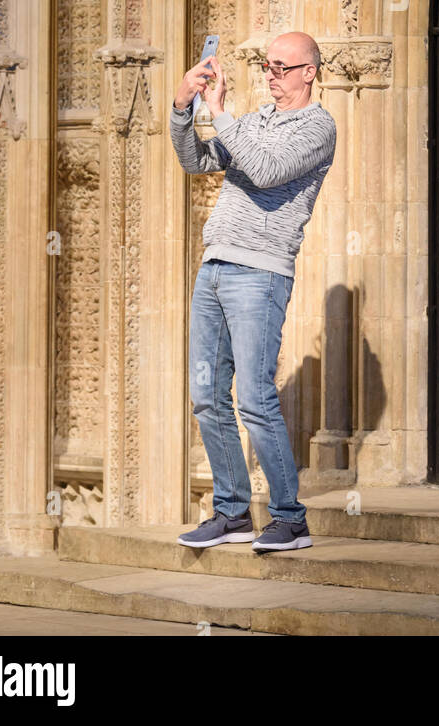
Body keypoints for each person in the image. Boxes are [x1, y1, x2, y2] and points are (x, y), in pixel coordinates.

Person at [170, 31, 336, 553]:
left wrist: (222, 116)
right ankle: (232, 512)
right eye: (267, 66)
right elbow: (196, 160)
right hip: (215, 266)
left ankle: (289, 519)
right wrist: (183, 107)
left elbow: (264, 172)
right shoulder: (256, 121)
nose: (271, 75)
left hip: (259, 274)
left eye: (282, 67)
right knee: (205, 396)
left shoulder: (317, 126)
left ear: (309, 71)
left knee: (256, 399)